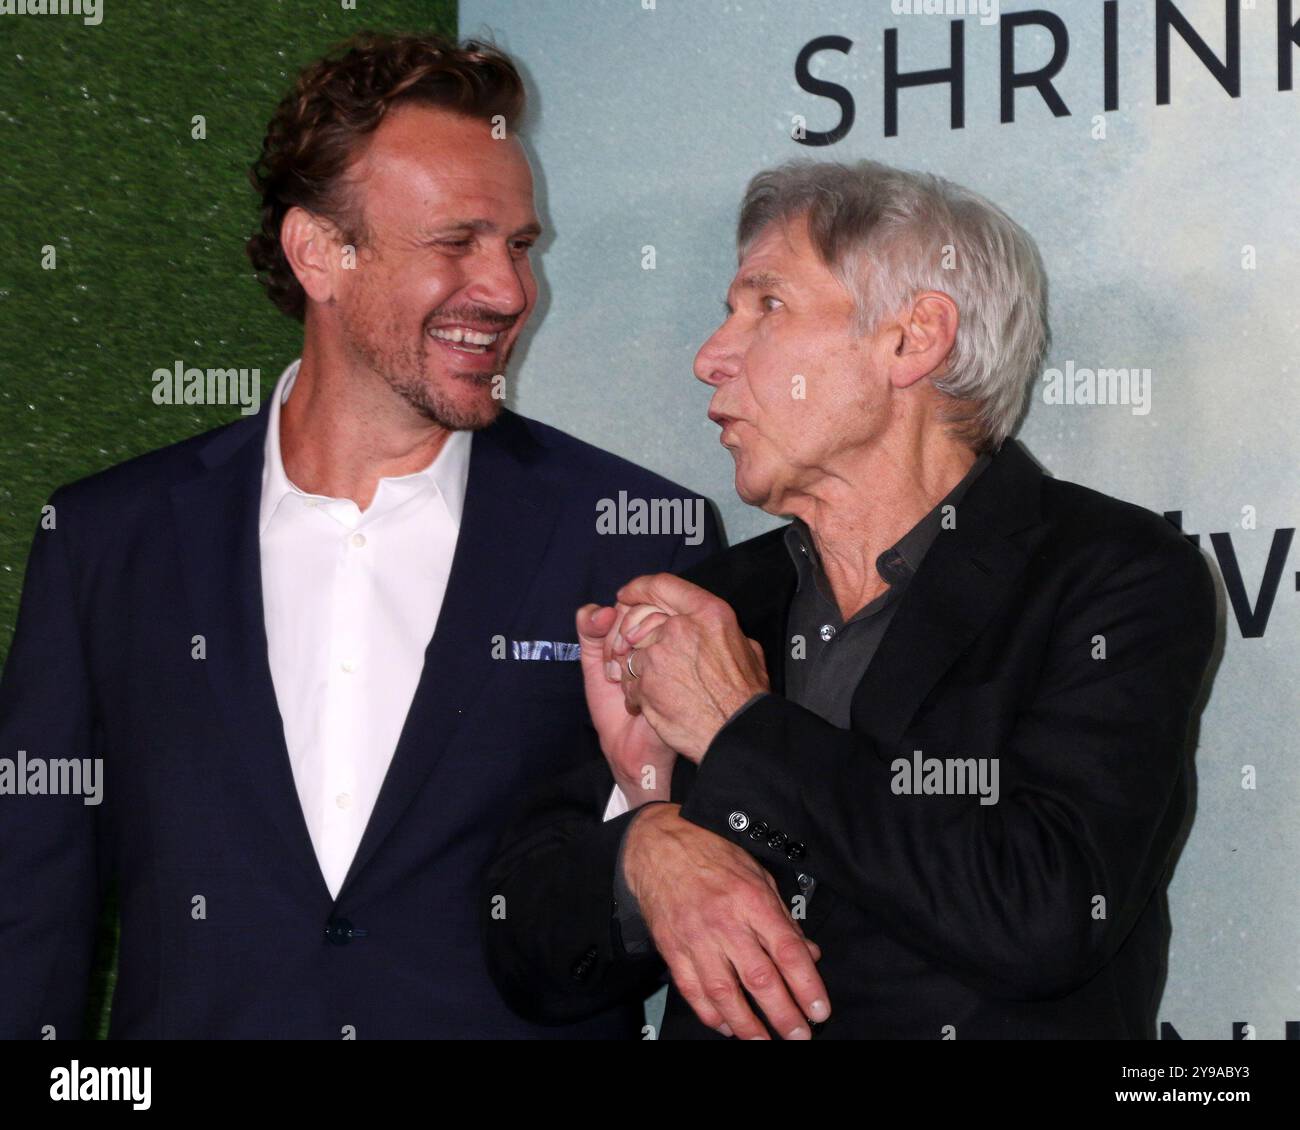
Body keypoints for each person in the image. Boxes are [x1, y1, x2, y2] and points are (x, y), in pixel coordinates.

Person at [0, 31, 718, 1039]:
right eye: (455, 240)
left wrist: (642, 814)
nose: (509, 290)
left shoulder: (638, 534)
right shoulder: (106, 542)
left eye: (518, 244)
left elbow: (684, 911)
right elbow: (28, 917)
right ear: (319, 253)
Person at [483, 159, 1217, 1040]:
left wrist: (737, 724)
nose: (709, 357)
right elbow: (521, 946)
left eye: (767, 306)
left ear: (914, 339)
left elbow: (1046, 914)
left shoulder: (1113, 577)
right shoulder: (718, 598)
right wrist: (647, 836)